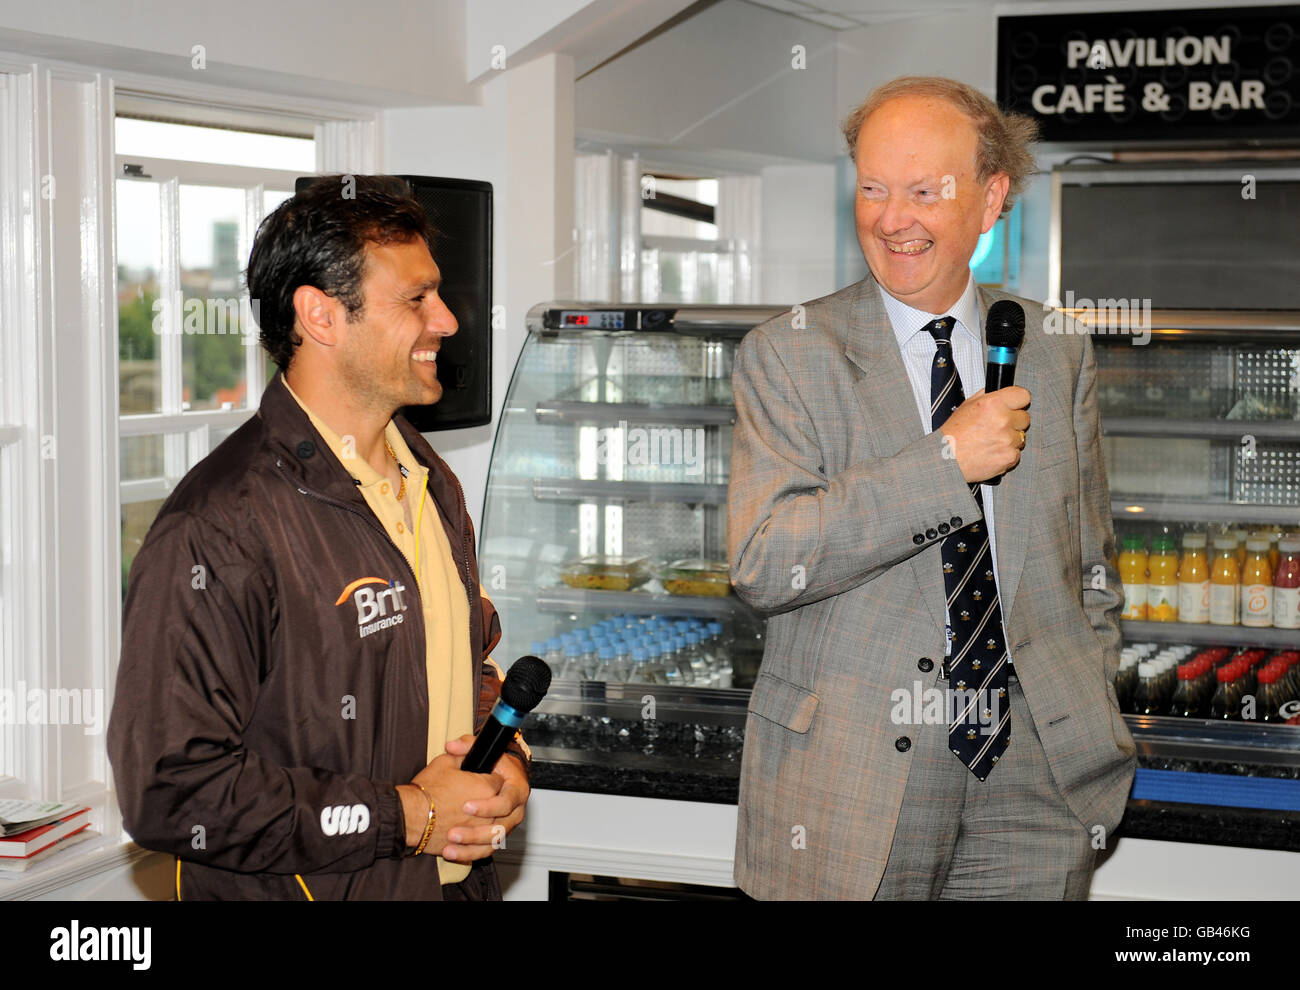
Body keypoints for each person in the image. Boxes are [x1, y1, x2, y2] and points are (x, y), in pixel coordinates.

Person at [727, 76, 1135, 900]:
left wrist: (1093, 695)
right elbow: (764, 562)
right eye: (873, 189)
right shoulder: (789, 353)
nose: (890, 217)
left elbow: (1090, 563)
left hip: (1035, 774)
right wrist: (942, 465)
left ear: (990, 200)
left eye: (923, 191)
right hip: (853, 775)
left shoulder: (1055, 348)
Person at [108, 176, 529, 900]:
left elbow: (467, 660)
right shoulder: (219, 524)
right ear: (322, 316)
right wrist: (409, 815)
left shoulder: (428, 475)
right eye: (417, 299)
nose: (449, 321)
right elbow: (173, 792)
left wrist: (505, 757)